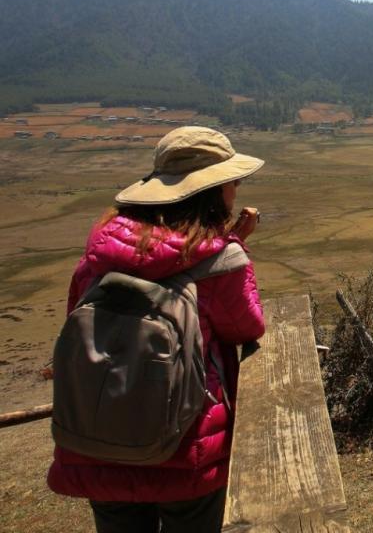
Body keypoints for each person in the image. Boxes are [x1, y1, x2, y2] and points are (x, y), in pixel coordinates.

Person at [47, 126, 267, 533]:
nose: (236, 189)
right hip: (186, 447)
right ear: (213, 190)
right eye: (232, 181)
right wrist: (235, 246)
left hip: (101, 440)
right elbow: (246, 326)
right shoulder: (219, 260)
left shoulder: (101, 250)